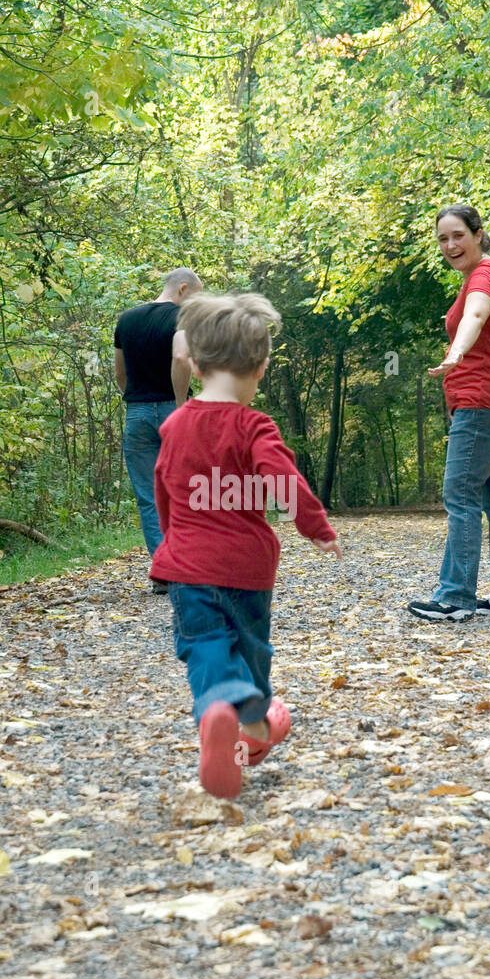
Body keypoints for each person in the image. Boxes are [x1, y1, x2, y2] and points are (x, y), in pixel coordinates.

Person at [150, 291, 342, 799]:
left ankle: (219, 708)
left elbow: (164, 486)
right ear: (260, 369)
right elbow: (283, 480)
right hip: (247, 568)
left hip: (188, 566)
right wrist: (316, 526)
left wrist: (169, 543)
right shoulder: (255, 425)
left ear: (194, 364)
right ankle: (251, 717)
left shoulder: (174, 425)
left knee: (205, 646)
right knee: (251, 648)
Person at [407, 204, 490, 622]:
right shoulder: (482, 275)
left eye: (458, 235)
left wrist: (456, 352)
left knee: (460, 493)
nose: (450, 245)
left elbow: (476, 314)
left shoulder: (485, 275)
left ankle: (455, 597)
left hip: (484, 403)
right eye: (443, 239)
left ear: (478, 234)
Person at [114, 268, 202, 592]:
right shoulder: (182, 319)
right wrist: (180, 403)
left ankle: (165, 572)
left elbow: (119, 374)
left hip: (136, 416)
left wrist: (136, 398)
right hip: (171, 410)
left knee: (149, 497)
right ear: (182, 289)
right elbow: (181, 357)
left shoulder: (127, 320)